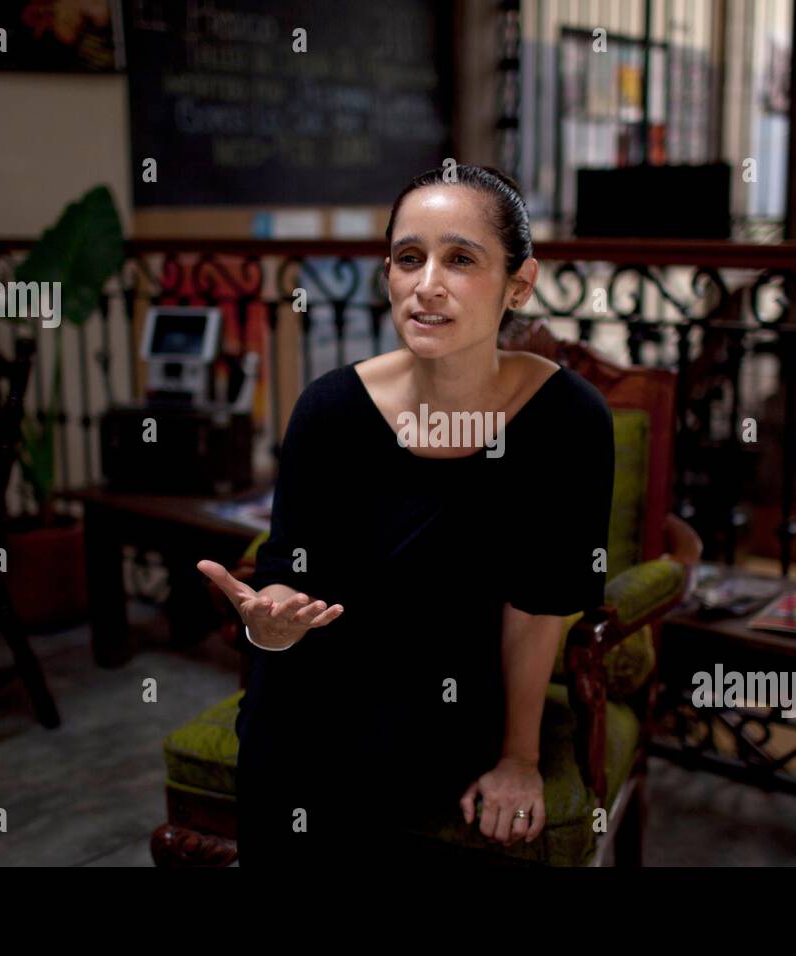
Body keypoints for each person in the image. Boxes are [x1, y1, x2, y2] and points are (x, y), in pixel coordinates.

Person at [197, 164, 614, 866]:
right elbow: (284, 573)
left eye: (460, 259)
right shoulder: (329, 408)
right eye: (408, 258)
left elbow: (538, 606)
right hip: (312, 691)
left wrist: (519, 757)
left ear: (520, 283)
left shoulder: (568, 419)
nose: (427, 285)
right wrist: (267, 623)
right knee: (289, 755)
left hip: (448, 696)